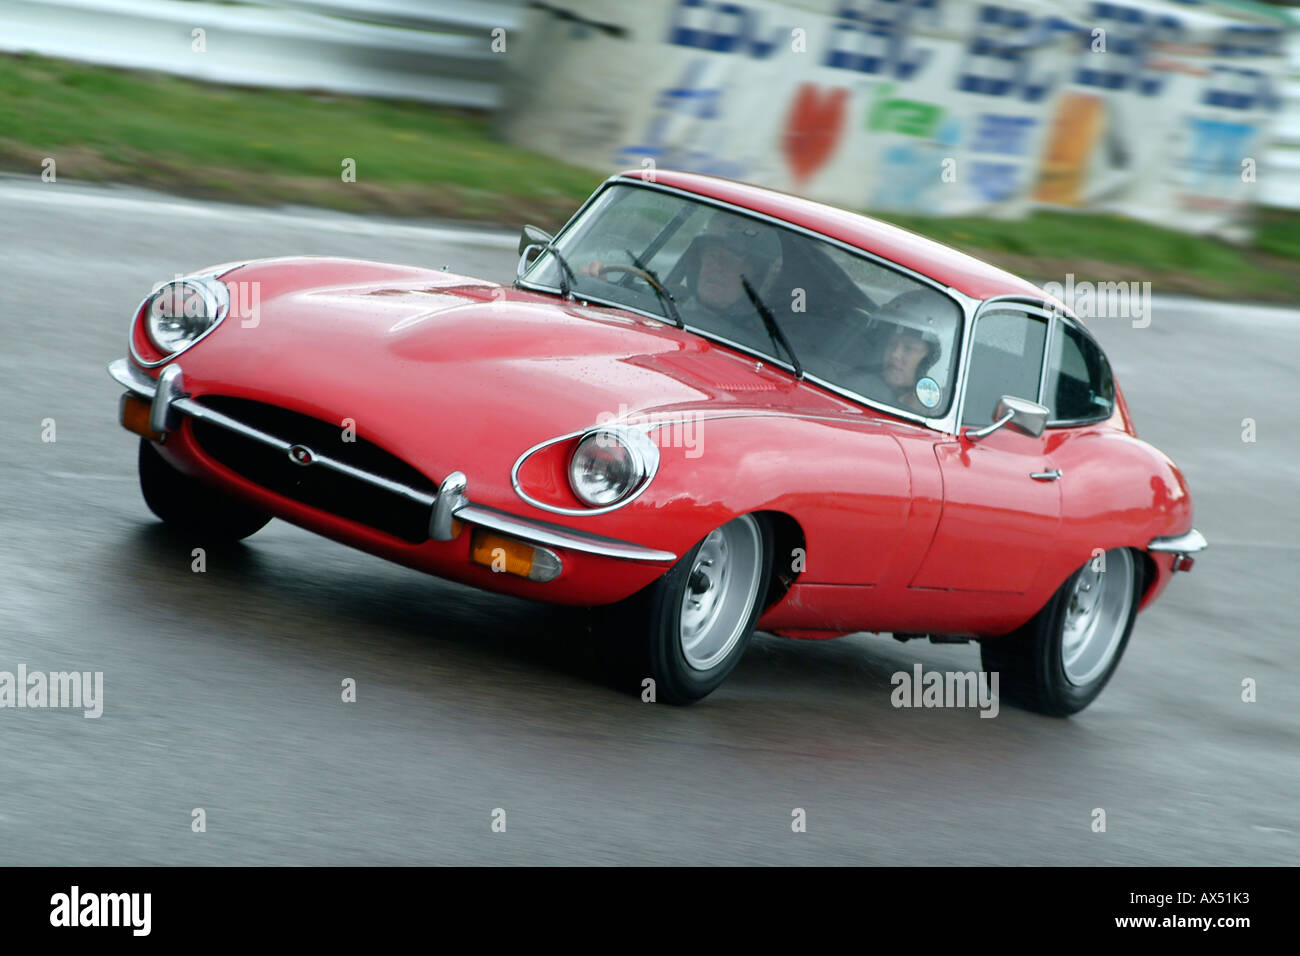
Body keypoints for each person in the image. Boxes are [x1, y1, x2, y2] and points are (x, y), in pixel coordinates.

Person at [853, 289, 946, 414]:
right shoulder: (856, 385)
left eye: (908, 348)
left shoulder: (938, 410)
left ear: (927, 360)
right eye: (892, 344)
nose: (895, 354)